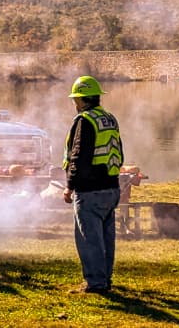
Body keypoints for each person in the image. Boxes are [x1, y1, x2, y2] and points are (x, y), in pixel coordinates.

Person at [61, 75, 123, 294]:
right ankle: (105, 278)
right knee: (106, 238)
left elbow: (78, 156)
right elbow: (119, 152)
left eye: (75, 99)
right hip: (111, 188)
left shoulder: (85, 120)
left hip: (90, 190)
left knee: (89, 239)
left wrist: (69, 185)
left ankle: (96, 283)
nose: (74, 103)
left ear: (81, 99)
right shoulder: (109, 118)